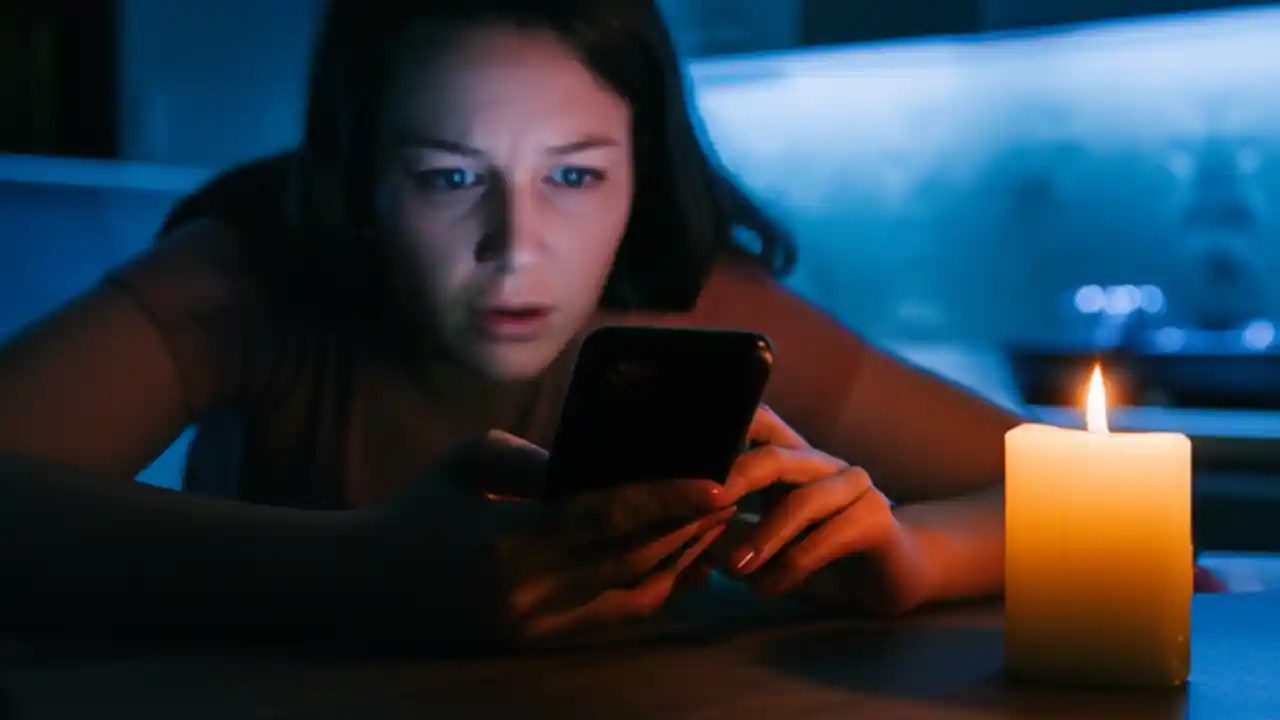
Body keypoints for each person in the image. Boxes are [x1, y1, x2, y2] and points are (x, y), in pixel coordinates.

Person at [0, 0, 1020, 649]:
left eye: (572, 174)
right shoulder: (251, 274)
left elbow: (1064, 488)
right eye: (449, 176)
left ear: (641, 173)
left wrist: (910, 557)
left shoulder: (685, 300)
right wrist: (358, 575)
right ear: (359, 183)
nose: (515, 244)